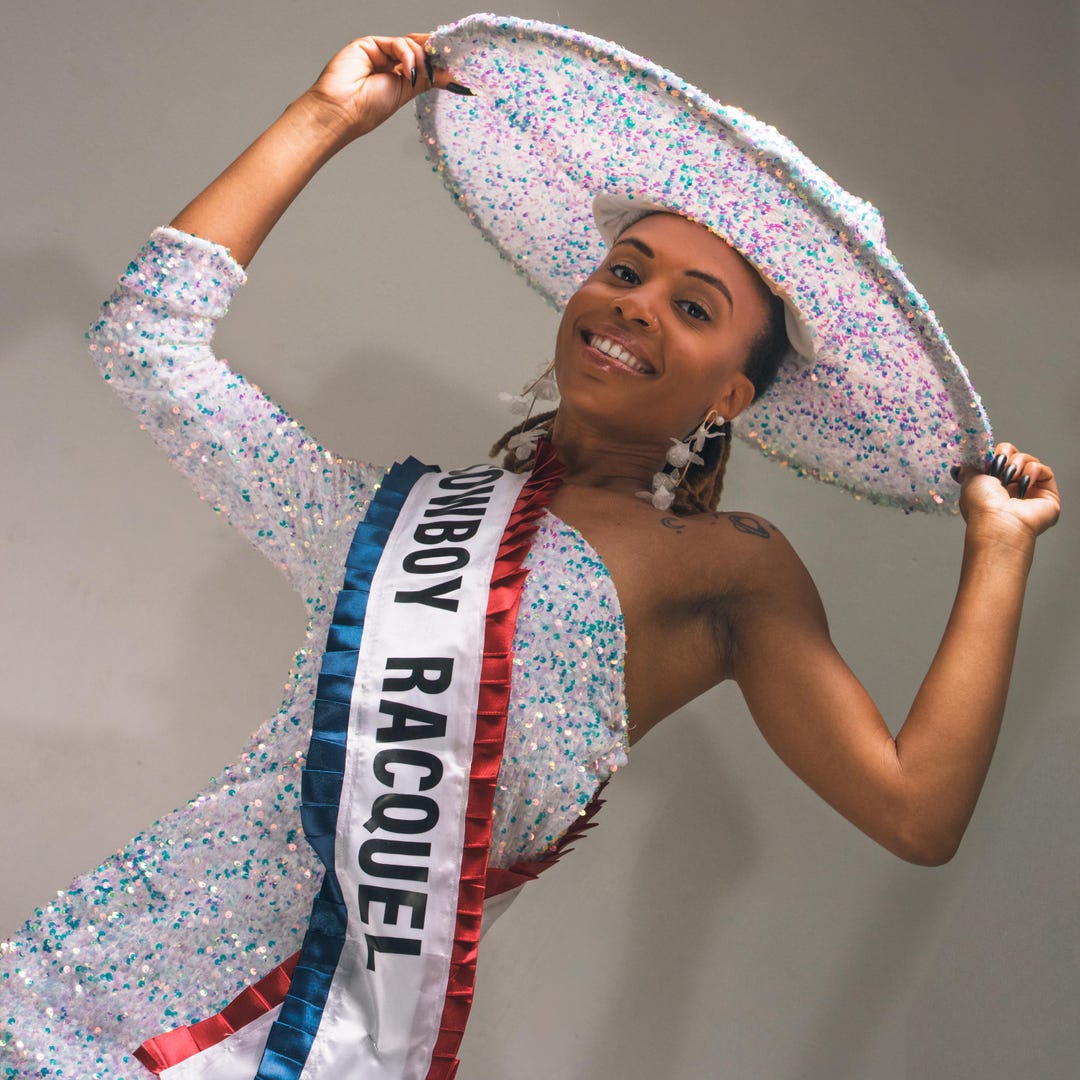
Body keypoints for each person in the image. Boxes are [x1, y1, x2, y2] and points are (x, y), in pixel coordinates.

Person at [0, 25, 1060, 1080]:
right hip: (75, 992)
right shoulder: (388, 523)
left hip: (296, 1052)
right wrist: (325, 119)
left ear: (733, 395)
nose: (635, 304)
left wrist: (998, 552)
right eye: (625, 268)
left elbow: (917, 810)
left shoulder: (727, 567)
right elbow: (147, 343)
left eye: (693, 307)